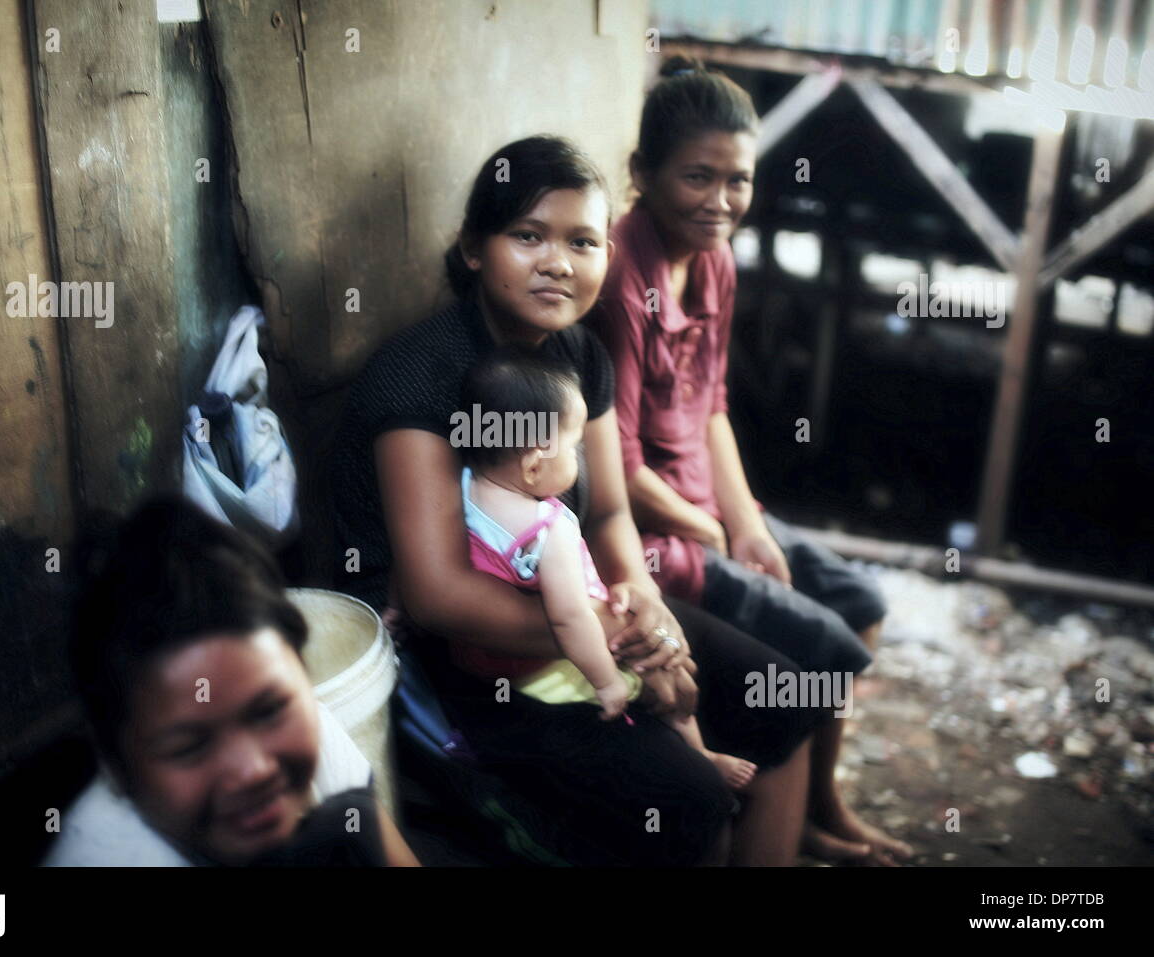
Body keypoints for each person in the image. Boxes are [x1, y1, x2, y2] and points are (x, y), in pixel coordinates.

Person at [331, 134, 827, 866]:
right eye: (527, 236)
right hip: (458, 660)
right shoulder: (420, 378)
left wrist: (643, 602)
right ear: (474, 248)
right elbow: (436, 596)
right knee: (686, 798)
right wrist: (610, 639)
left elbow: (608, 513)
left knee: (787, 695)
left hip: (578, 606)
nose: (559, 262)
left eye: (583, 241)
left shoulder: (578, 357)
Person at [589, 55, 911, 865]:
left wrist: (745, 522)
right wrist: (715, 533)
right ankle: (795, 810)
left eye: (739, 180)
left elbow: (715, 406)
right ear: (643, 175)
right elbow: (620, 471)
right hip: (660, 538)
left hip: (711, 515)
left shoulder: (718, 258)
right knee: (826, 651)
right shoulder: (622, 279)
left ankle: (820, 806)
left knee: (859, 600)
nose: (722, 200)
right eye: (699, 177)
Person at [44, 498, 418, 867]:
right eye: (190, 747)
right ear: (117, 764)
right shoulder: (109, 857)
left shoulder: (325, 760)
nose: (253, 770)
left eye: (269, 712)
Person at [446, 347, 756, 789]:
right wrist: (607, 681)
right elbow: (570, 617)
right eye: (574, 448)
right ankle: (702, 754)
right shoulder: (549, 532)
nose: (579, 460)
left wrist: (398, 606)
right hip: (551, 670)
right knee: (660, 673)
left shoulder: (461, 493)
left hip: (486, 666)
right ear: (534, 465)